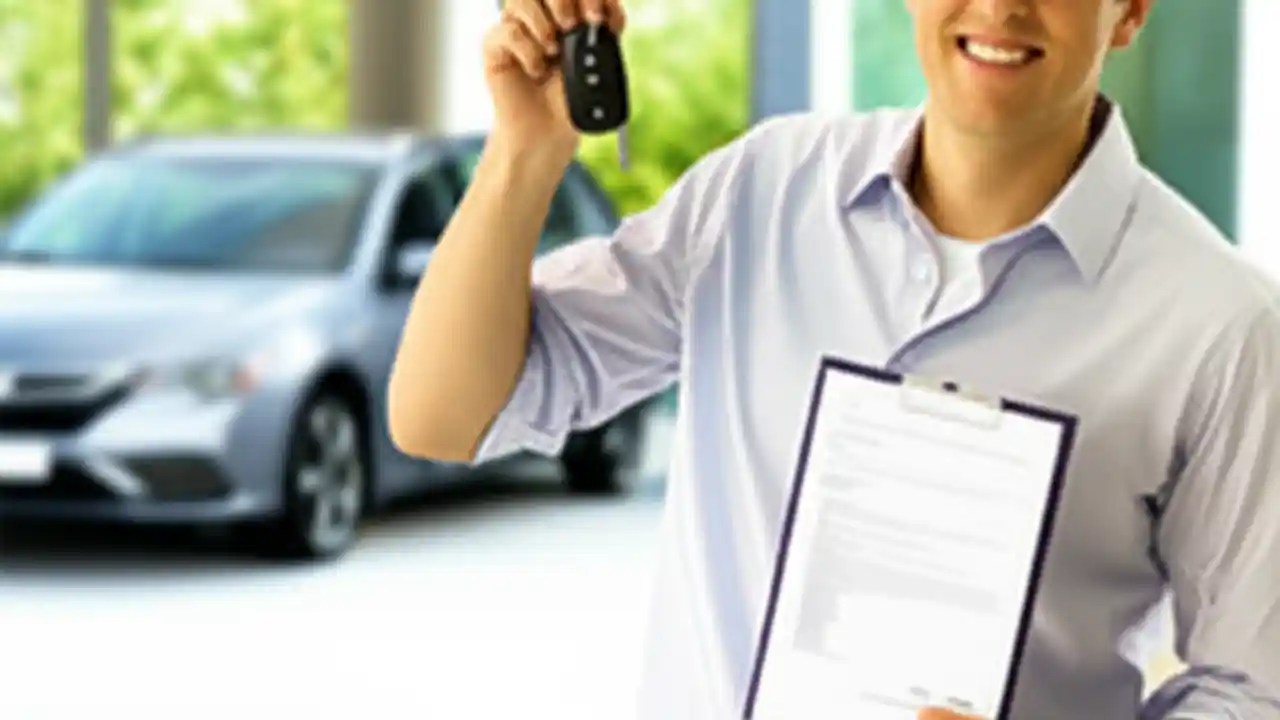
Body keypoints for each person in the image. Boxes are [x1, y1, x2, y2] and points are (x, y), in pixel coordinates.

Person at [387, 0, 1280, 717]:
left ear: (1129, 13)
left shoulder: (1219, 322)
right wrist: (522, 154)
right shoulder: (757, 193)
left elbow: (1253, 689)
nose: (1002, 9)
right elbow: (442, 417)